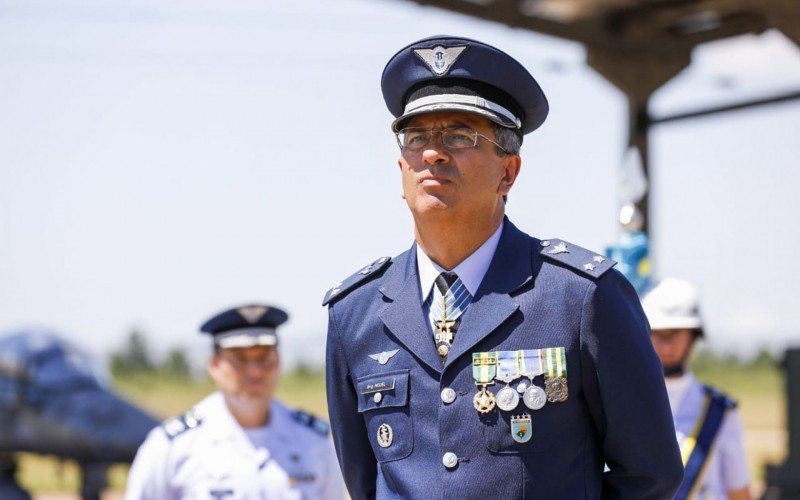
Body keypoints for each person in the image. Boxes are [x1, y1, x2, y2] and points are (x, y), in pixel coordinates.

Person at [323, 35, 684, 499]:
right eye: (418, 138)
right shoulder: (355, 313)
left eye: (459, 136)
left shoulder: (579, 297)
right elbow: (363, 482)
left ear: (508, 173)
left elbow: (650, 476)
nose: (433, 153)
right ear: (401, 168)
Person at [126, 304, 343, 500]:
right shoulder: (173, 446)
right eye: (240, 360)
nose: (255, 371)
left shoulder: (314, 440)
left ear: (278, 361)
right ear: (214, 365)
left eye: (264, 358)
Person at [643, 278, 752, 500]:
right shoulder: (624, 402)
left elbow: (739, 491)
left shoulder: (720, 410)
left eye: (676, 333)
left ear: (693, 337)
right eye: (658, 334)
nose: (667, 344)